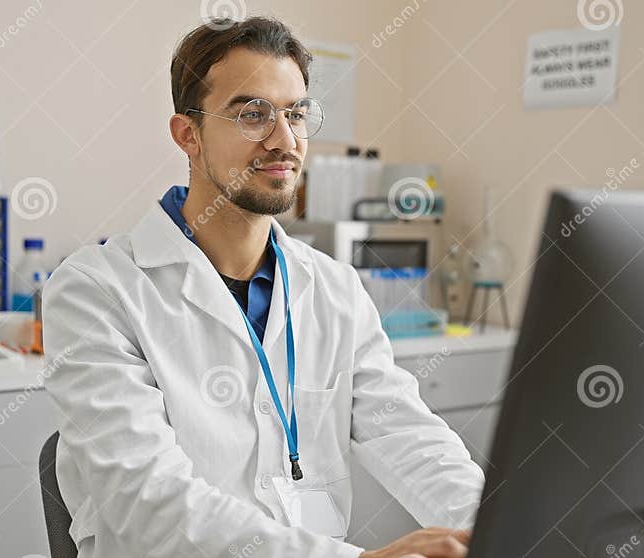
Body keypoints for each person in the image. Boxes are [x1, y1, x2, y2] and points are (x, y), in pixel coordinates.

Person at [42, 15, 484, 558]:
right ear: (189, 135)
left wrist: (499, 527)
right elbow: (146, 503)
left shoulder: (334, 289)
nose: (284, 140)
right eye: (252, 114)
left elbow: (410, 437)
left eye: (296, 114)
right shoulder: (96, 290)